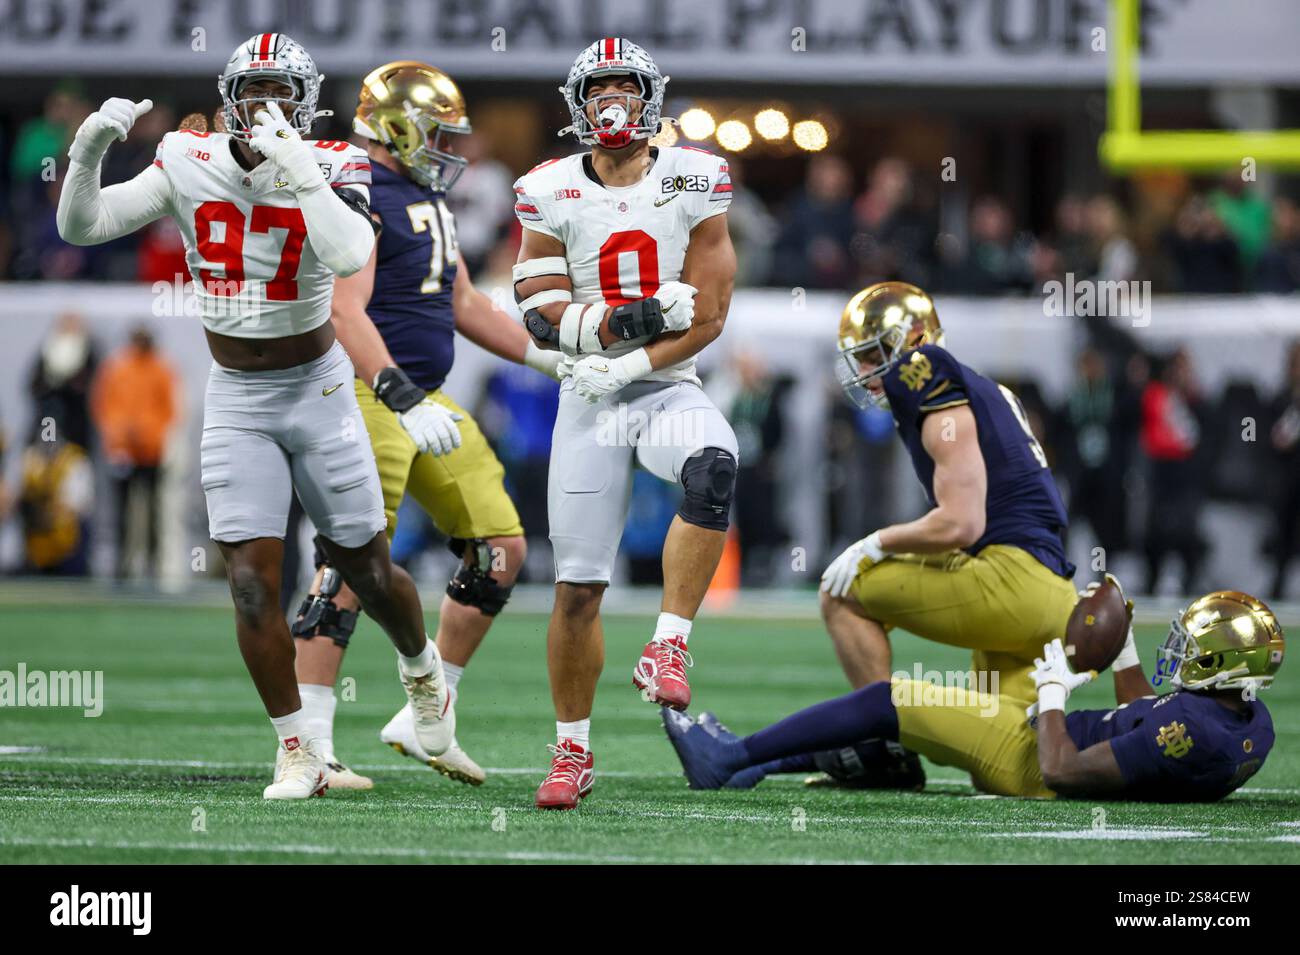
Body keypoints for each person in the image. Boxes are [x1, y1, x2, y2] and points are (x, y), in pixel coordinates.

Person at [56, 33, 455, 799]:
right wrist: (87, 152)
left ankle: (421, 668)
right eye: (254, 91)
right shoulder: (186, 157)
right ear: (228, 97)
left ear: (306, 107)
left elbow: (344, 256)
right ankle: (298, 748)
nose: (266, 108)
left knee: (366, 567)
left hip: (321, 388)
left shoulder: (335, 162)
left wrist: (298, 168)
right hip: (238, 395)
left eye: (282, 94)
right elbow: (85, 226)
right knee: (248, 583)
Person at [288, 61, 564, 790]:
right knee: (349, 565)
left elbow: (466, 302)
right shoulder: (359, 186)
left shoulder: (425, 193)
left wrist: (552, 359)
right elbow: (345, 308)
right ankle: (308, 746)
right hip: (366, 391)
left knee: (500, 547)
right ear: (397, 125)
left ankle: (425, 713)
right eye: (438, 133)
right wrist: (393, 388)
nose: (452, 148)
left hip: (425, 396)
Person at [511, 36, 739, 809]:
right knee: (577, 589)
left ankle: (668, 645)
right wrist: (630, 321)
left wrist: (634, 360)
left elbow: (708, 316)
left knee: (714, 462)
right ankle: (571, 752)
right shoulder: (546, 188)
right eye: (599, 88)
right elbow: (540, 314)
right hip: (589, 397)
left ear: (652, 101)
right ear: (577, 104)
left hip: (665, 382)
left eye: (627, 88)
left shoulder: (694, 177)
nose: (614, 102)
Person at [665, 589, 1282, 802]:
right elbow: (1139, 716)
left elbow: (1061, 770)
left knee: (890, 699)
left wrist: (1050, 700)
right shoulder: (1245, 720)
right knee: (935, 698)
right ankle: (765, 765)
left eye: (1195, 649)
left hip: (1031, 759)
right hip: (1055, 732)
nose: (1180, 653)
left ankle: (731, 760)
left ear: (1226, 665)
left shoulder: (1197, 732)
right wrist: (1120, 655)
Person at [820, 282, 1077, 721]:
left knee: (839, 591)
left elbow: (961, 524)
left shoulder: (932, 373)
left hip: (1013, 580)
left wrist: (874, 543)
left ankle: (883, 741)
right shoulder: (987, 390)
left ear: (913, 343)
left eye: (873, 353)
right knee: (1010, 766)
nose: (864, 369)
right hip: (1053, 591)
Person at [91, 325, 178, 578]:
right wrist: (118, 434)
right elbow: (105, 406)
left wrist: (149, 432)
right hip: (123, 451)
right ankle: (122, 566)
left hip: (151, 451)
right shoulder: (118, 369)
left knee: (153, 511)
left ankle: (153, 565)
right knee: (121, 511)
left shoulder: (161, 369)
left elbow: (169, 410)